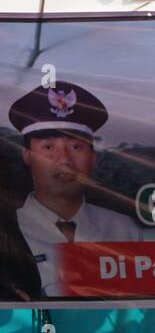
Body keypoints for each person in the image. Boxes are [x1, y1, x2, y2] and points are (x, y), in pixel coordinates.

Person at [1, 82, 140, 300]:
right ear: (27, 155)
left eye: (76, 147)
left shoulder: (122, 229)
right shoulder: (6, 232)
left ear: (92, 157)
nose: (64, 160)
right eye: (48, 147)